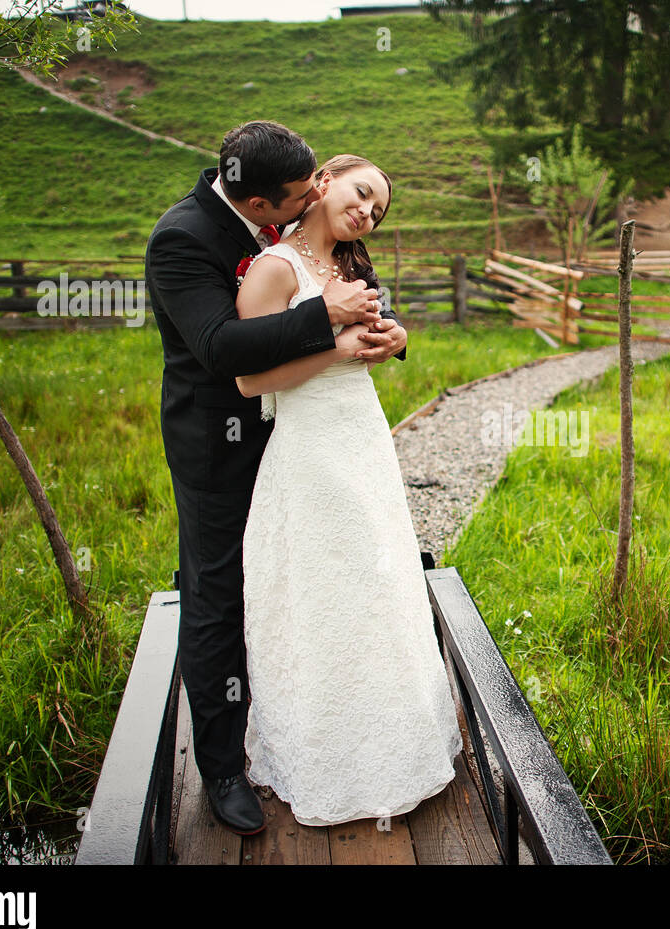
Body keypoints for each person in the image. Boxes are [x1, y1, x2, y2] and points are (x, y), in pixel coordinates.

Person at [146, 122, 409, 836]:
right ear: (260, 201)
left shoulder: (290, 226)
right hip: (217, 445)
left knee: (299, 583)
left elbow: (352, 288)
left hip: (297, 437)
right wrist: (330, 323)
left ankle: (318, 720)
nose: (315, 196)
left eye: (321, 182)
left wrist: (391, 333)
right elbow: (225, 349)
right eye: (301, 193)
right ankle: (225, 766)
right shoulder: (185, 239)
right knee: (218, 593)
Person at [234, 154, 462, 826]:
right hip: (310, 454)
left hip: (363, 442)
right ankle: (325, 754)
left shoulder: (350, 268)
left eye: (378, 211)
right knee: (325, 592)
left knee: (379, 582)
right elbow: (250, 380)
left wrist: (395, 338)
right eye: (363, 193)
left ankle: (388, 746)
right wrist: (338, 348)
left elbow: (368, 341)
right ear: (326, 180)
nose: (368, 212)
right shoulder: (278, 268)